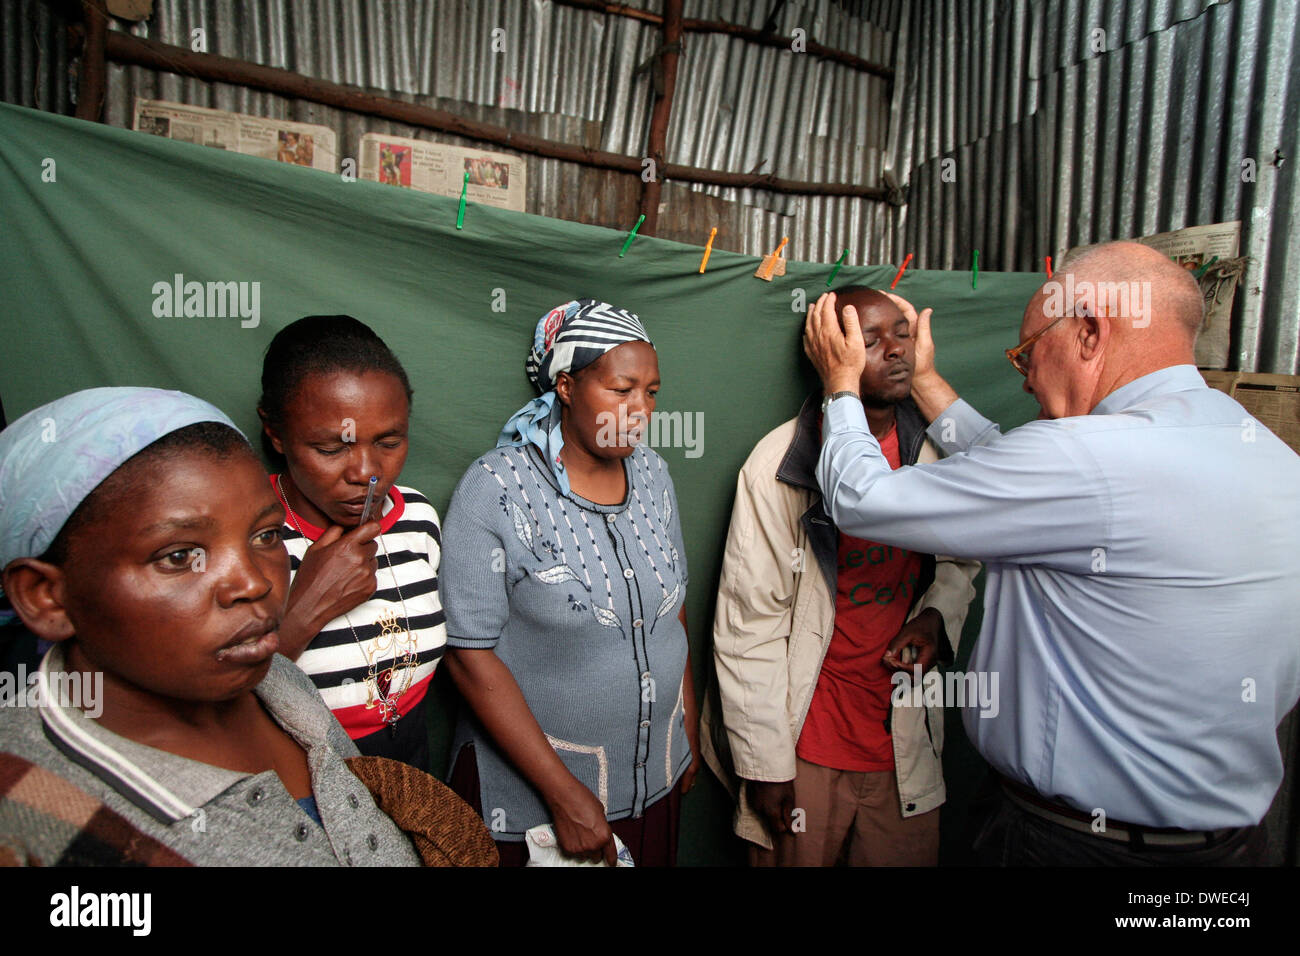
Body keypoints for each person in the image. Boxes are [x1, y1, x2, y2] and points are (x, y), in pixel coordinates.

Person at [802, 241, 1300, 865]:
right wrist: (926, 382)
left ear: (1088, 331)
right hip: (1230, 854)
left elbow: (860, 498)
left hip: (1069, 848)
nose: (1028, 376)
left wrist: (841, 386)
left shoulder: (1082, 459)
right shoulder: (1273, 459)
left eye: (1027, 353)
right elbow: (1019, 473)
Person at [0, 388, 439, 865]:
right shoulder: (29, 808)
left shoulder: (278, 685)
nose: (253, 582)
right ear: (46, 597)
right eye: (180, 556)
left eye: (265, 536)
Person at [702, 287, 980, 866]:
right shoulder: (778, 465)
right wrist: (766, 765)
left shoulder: (937, 452)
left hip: (903, 748)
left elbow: (968, 550)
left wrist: (935, 614)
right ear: (830, 352)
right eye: (868, 339)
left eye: (901, 334)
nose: (895, 351)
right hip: (806, 744)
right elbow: (747, 625)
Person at [440, 298, 698, 866]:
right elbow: (468, 656)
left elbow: (672, 611)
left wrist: (686, 728)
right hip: (540, 807)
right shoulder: (495, 488)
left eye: (651, 393)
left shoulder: (653, 475)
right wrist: (564, 796)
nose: (638, 411)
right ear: (565, 386)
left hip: (654, 779)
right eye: (621, 389)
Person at [258, 315, 446, 770]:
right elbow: (208, 709)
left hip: (411, 775)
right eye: (331, 448)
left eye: (389, 441)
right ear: (276, 432)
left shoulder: (418, 517)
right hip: (302, 790)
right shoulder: (245, 540)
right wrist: (305, 608)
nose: (366, 472)